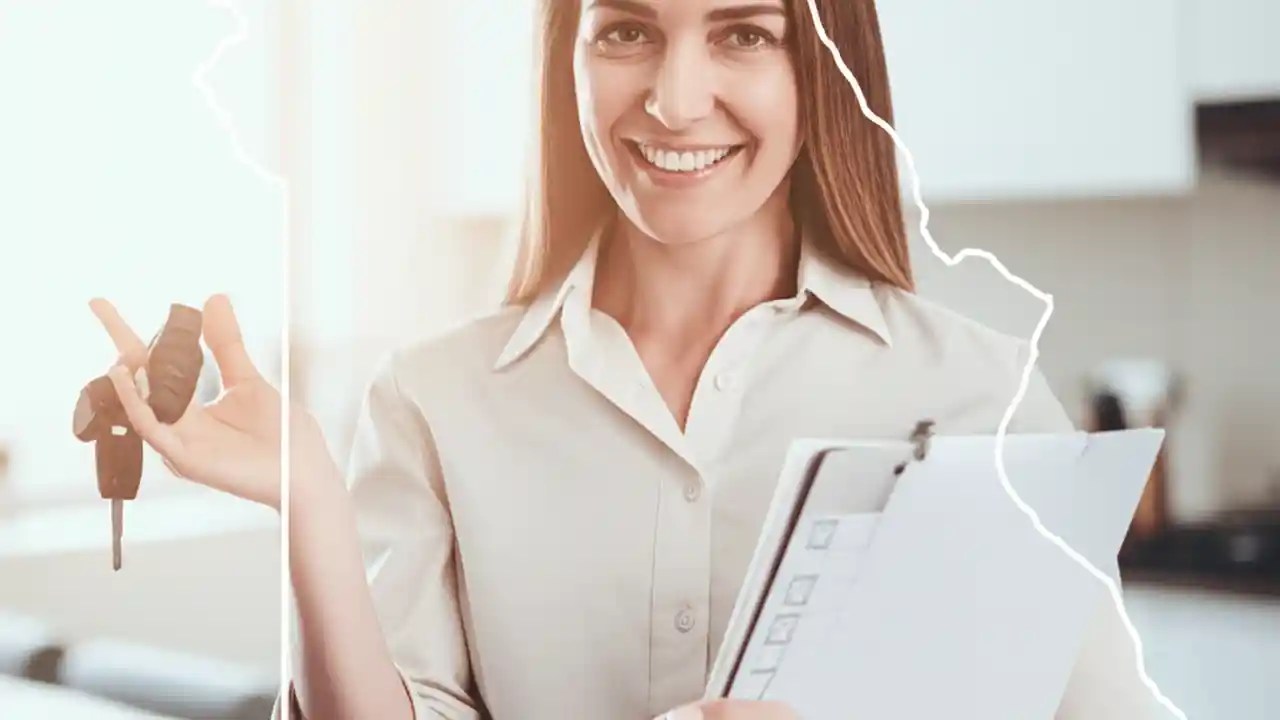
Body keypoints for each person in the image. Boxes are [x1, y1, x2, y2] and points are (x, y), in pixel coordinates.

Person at [91, 0, 1169, 718]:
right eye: (626, 33)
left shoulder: (974, 391)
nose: (672, 98)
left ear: (824, 65)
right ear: (569, 55)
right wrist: (309, 502)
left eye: (742, 33)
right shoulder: (436, 398)